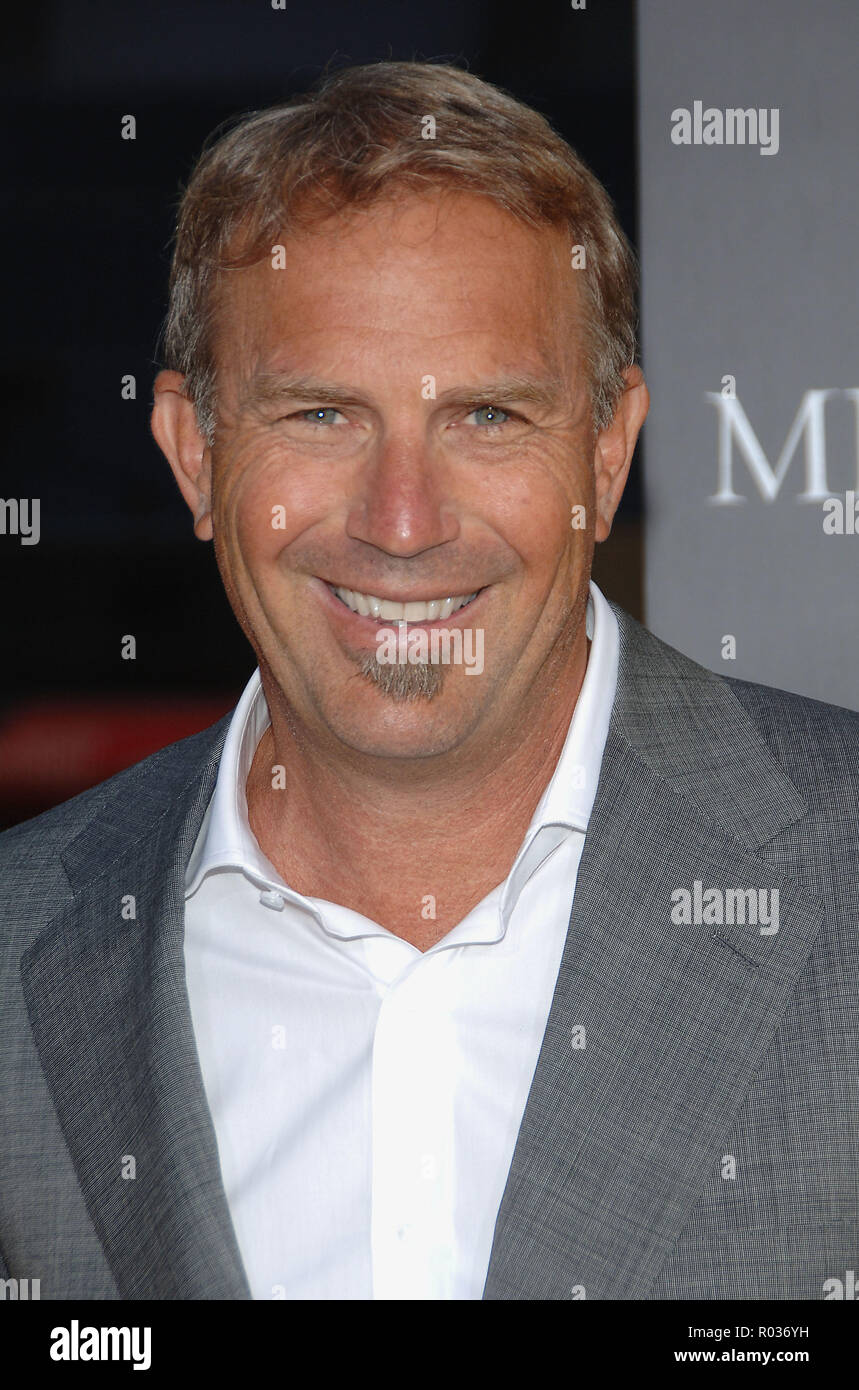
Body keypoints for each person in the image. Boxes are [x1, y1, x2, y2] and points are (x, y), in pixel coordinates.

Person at [1, 61, 856, 1302]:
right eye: (320, 415)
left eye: (488, 418)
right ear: (195, 456)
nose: (401, 522)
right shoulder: (22, 951)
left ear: (606, 456)